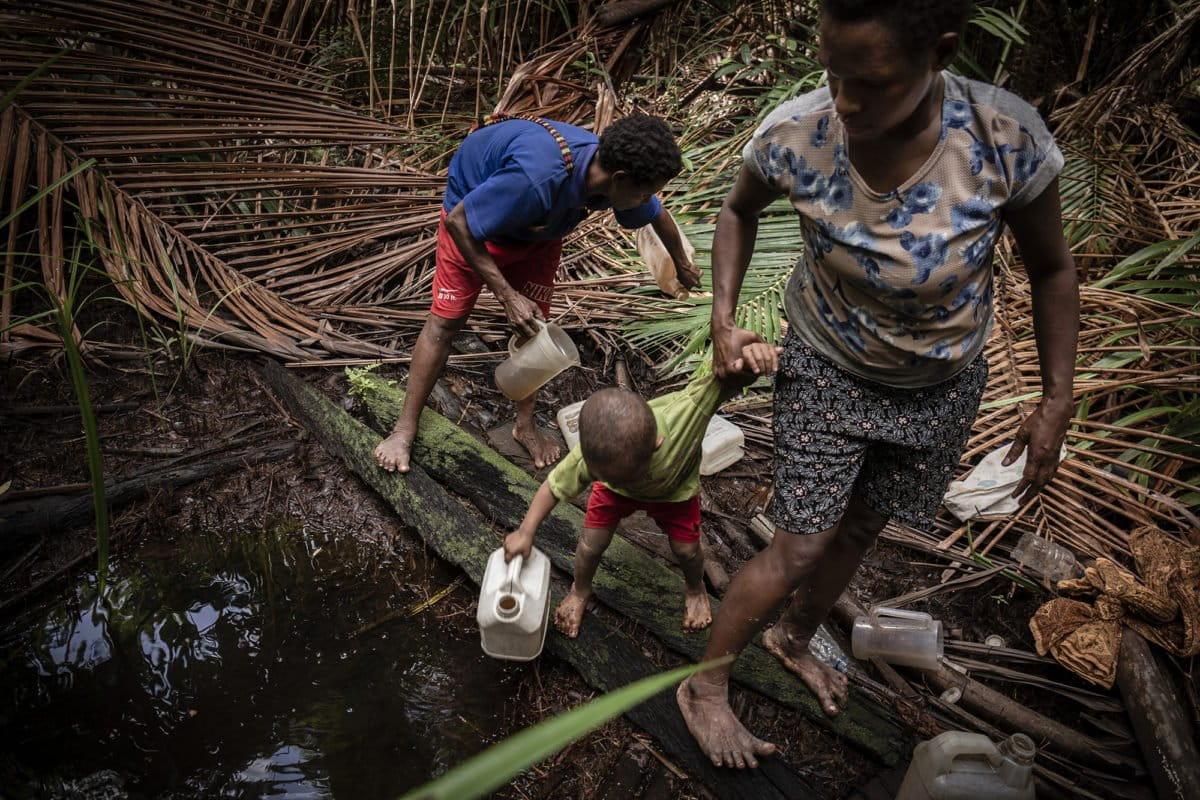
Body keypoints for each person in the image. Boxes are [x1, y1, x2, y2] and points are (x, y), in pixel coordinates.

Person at [677, 0, 1079, 769]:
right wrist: (723, 319)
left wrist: (1055, 397)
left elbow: (1053, 269)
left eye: (872, 80)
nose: (845, 101)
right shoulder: (799, 133)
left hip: (942, 383)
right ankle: (704, 687)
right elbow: (736, 211)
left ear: (942, 52)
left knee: (864, 526)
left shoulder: (1005, 140)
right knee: (800, 542)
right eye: (833, 72)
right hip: (827, 362)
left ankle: (795, 637)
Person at [374, 112, 700, 474]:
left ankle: (524, 426)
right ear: (620, 179)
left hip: (539, 230)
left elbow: (657, 213)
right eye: (644, 191)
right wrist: (507, 295)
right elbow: (460, 224)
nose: (646, 199)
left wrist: (682, 262)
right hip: (470, 223)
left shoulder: (612, 176)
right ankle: (404, 429)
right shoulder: (536, 176)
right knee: (445, 325)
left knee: (534, 327)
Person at [503, 341, 782, 637]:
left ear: (656, 444)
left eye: (628, 475)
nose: (625, 481)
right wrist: (526, 531)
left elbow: (729, 375)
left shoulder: (686, 413)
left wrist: (753, 359)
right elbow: (552, 488)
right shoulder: (593, 457)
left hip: (674, 493)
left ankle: (695, 588)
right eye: (604, 475)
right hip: (612, 496)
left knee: (687, 551)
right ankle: (580, 590)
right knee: (590, 545)